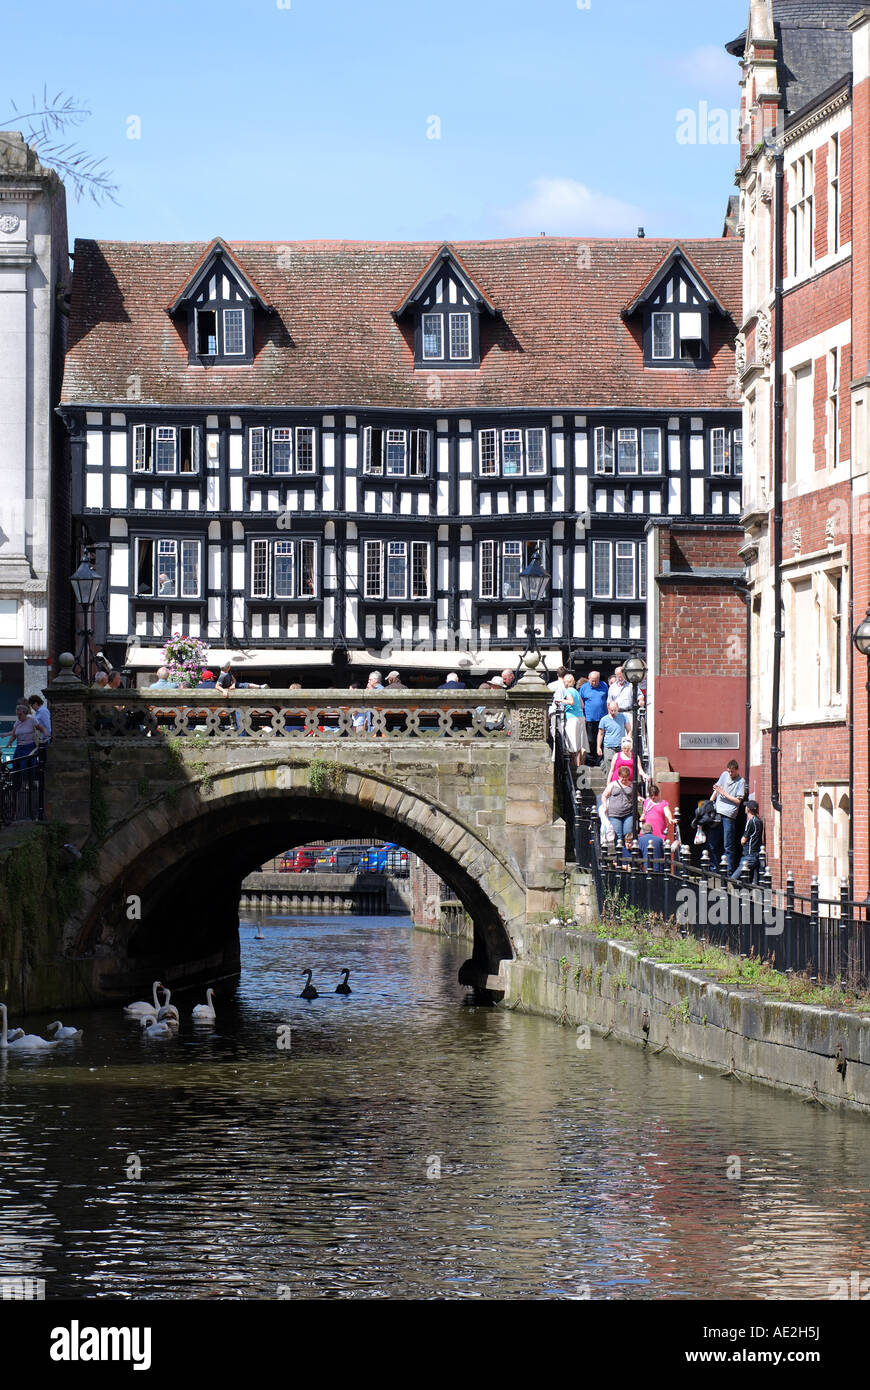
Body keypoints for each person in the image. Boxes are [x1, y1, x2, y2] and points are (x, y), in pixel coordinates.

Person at [712, 759, 746, 873]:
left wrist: (723, 793)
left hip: (729, 816)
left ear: (737, 770)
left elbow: (738, 801)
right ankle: (714, 869)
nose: (730, 774)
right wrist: (709, 803)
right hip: (717, 813)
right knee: (712, 842)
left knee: (728, 845)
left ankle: (729, 871)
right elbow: (717, 789)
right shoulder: (724, 775)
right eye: (729, 771)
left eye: (732, 772)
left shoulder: (741, 782)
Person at [729, 800, 764, 884]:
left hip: (749, 856)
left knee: (732, 880)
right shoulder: (759, 821)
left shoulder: (750, 821)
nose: (745, 808)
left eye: (746, 806)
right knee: (753, 884)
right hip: (756, 855)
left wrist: (742, 840)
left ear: (748, 809)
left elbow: (743, 840)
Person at [600, 765, 634, 844]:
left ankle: (627, 852)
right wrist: (605, 806)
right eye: (622, 778)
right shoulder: (612, 785)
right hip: (614, 814)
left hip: (628, 813)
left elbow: (636, 795)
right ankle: (619, 853)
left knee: (628, 832)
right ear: (619, 776)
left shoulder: (631, 785)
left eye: (626, 778)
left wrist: (639, 798)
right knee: (618, 835)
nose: (624, 780)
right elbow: (604, 796)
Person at [579, 670, 607, 766]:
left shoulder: (604, 685)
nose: (594, 683)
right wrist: (583, 715)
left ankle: (600, 760)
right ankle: (590, 760)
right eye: (592, 681)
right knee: (590, 740)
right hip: (590, 719)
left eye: (596, 681)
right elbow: (580, 702)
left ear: (599, 680)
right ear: (589, 679)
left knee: (602, 740)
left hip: (602, 718)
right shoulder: (584, 688)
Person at [562, 673, 588, 772]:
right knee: (579, 743)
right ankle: (580, 764)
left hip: (571, 718)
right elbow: (582, 704)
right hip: (580, 717)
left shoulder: (568, 691)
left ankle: (575, 767)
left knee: (573, 743)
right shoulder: (576, 691)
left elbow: (571, 702)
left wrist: (560, 700)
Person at [597, 699, 629, 776]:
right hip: (609, 746)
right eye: (611, 710)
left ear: (618, 708)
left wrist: (627, 741)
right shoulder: (604, 719)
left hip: (621, 746)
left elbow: (629, 730)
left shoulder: (623, 717)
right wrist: (598, 747)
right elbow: (600, 734)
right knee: (609, 769)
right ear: (608, 709)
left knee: (622, 769)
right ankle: (609, 784)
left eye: (615, 710)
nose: (613, 712)